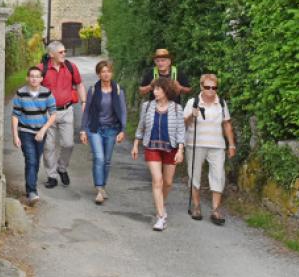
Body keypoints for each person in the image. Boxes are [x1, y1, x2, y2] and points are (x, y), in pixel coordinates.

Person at [131, 76, 186, 231]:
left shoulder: (177, 108)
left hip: (171, 148)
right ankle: (160, 216)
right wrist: (136, 144)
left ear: (166, 90)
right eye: (154, 89)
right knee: (157, 180)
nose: (154, 92)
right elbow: (141, 127)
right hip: (152, 146)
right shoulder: (147, 106)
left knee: (167, 182)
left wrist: (180, 150)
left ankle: (161, 202)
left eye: (158, 89)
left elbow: (181, 131)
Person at [184, 73, 236, 226]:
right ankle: (196, 206)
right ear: (201, 86)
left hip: (217, 145)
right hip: (195, 144)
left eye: (214, 87)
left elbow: (226, 124)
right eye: (207, 87)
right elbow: (184, 124)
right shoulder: (192, 102)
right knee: (194, 175)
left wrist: (231, 144)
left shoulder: (221, 102)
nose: (211, 90)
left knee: (218, 175)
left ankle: (215, 209)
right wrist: (191, 116)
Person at [80, 59, 126, 205]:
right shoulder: (93, 90)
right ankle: (99, 189)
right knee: (99, 158)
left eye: (108, 71)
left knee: (106, 161)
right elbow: (86, 111)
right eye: (103, 72)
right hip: (95, 129)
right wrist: (83, 130)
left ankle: (103, 186)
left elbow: (123, 111)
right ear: (99, 74)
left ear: (111, 73)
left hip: (111, 129)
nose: (106, 74)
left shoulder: (118, 90)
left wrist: (122, 130)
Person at [38, 40, 84, 188]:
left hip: (67, 111)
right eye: (61, 52)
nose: (65, 54)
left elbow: (79, 83)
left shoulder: (71, 67)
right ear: (51, 54)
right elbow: (34, 89)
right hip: (48, 113)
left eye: (64, 51)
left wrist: (84, 102)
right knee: (49, 146)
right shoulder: (42, 69)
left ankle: (62, 168)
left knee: (68, 144)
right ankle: (51, 176)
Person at [11, 66, 57, 205]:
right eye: (31, 76)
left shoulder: (47, 93)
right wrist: (15, 136)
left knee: (35, 161)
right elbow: (15, 115)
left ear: (41, 79)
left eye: (37, 76)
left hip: (41, 132)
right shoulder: (21, 93)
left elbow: (53, 114)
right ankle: (32, 191)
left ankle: (30, 187)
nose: (34, 79)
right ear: (27, 78)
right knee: (31, 160)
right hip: (25, 132)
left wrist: (43, 130)